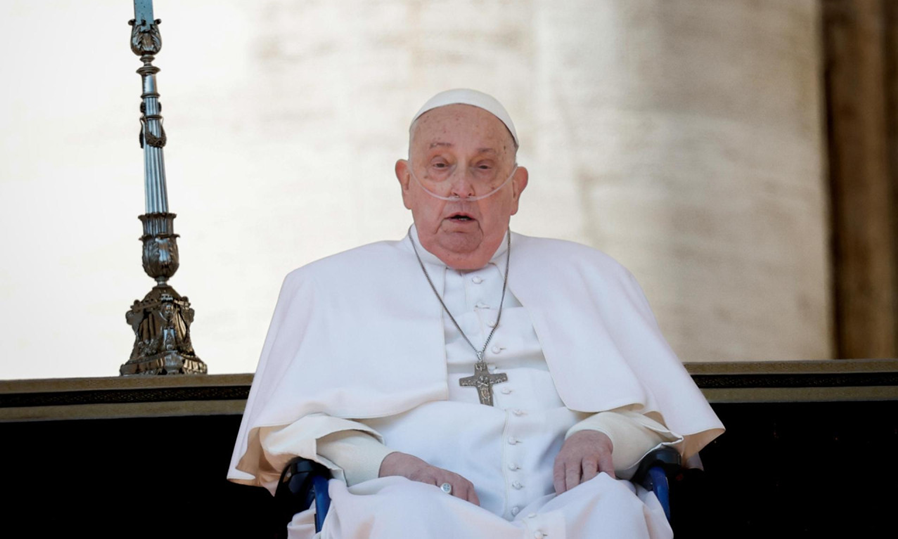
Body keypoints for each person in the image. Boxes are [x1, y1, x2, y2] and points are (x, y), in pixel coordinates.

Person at [228, 89, 724, 538]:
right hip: (407, 500)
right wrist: (391, 465)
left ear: (516, 188)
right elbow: (290, 431)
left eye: (484, 167)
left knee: (613, 509)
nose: (461, 187)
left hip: (571, 504)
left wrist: (602, 435)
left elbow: (661, 421)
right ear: (406, 183)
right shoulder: (326, 287)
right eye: (440, 165)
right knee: (404, 516)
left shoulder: (592, 275)